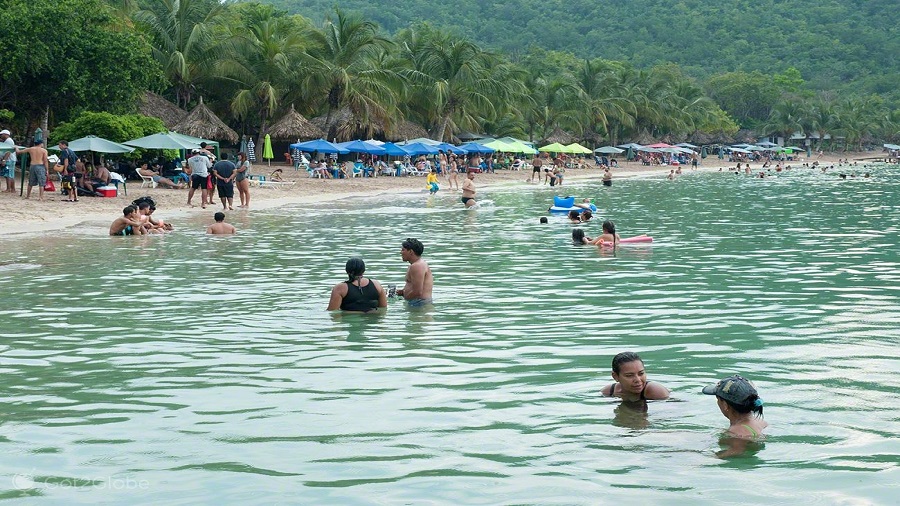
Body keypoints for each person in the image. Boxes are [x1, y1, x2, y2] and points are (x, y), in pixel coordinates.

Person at [703, 374, 767, 457]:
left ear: (725, 405)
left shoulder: (736, 432)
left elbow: (737, 451)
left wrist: (709, 458)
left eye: (718, 399)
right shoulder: (761, 422)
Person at [600, 352, 670, 402]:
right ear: (615, 376)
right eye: (629, 376)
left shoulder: (655, 391)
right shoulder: (608, 392)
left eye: (641, 373)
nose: (637, 380)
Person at [395, 238, 433, 307]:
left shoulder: (417, 266)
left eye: (403, 250)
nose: (401, 252)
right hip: (419, 302)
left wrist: (404, 299)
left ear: (411, 252)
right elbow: (414, 288)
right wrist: (402, 292)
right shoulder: (416, 264)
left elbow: (417, 292)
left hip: (419, 304)